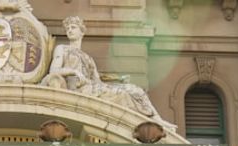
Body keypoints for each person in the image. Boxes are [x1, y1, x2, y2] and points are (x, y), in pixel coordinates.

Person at [43, 15, 177, 134]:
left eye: (73, 27)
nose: (70, 30)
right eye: (68, 29)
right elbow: (53, 71)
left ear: (82, 32)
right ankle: (153, 121)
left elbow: (98, 81)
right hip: (81, 90)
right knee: (124, 94)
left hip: (94, 89)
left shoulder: (88, 58)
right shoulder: (62, 49)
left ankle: (158, 120)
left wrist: (119, 81)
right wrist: (73, 71)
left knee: (136, 90)